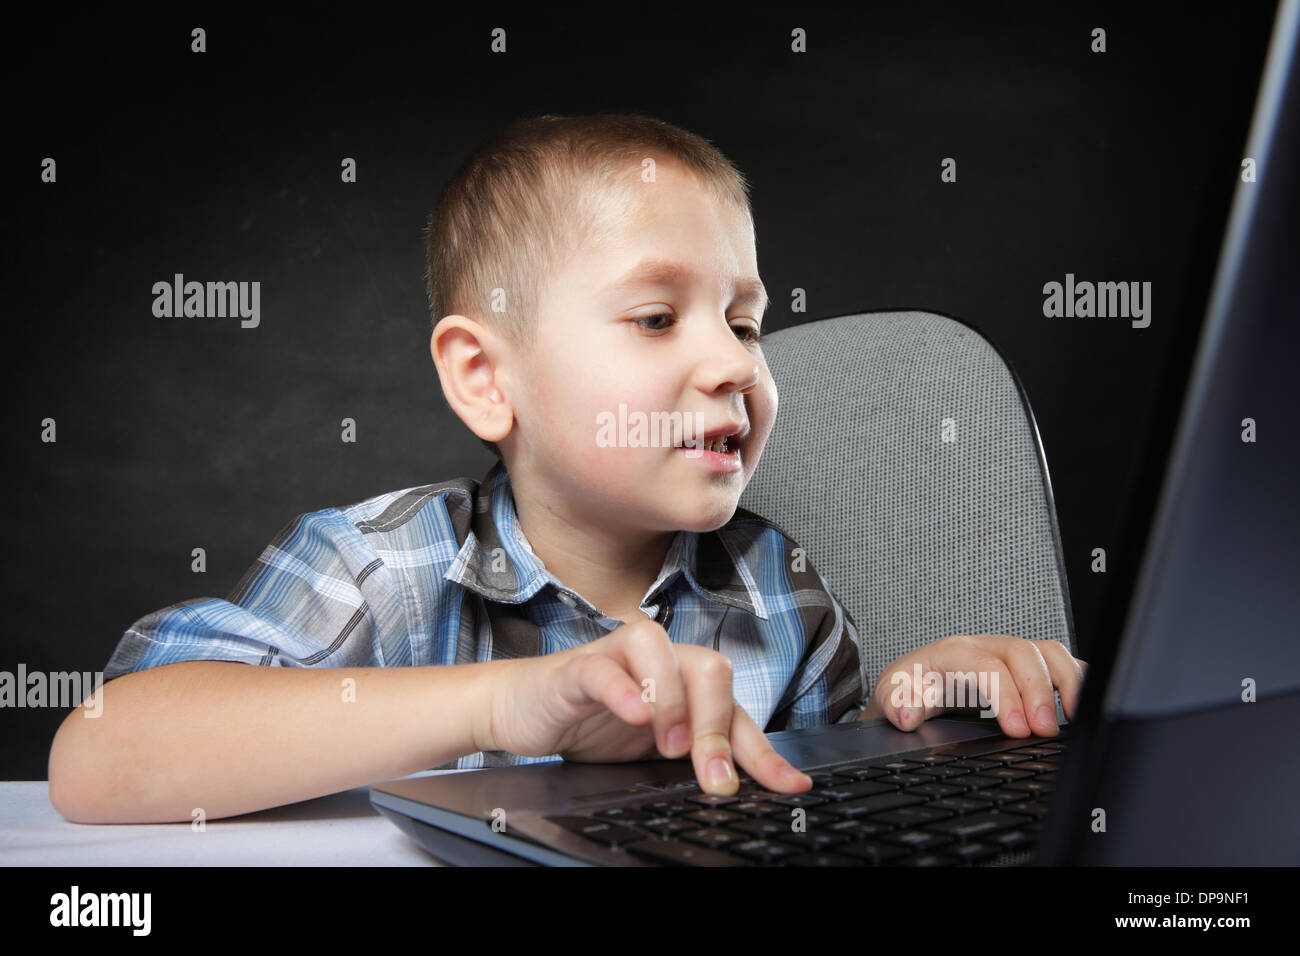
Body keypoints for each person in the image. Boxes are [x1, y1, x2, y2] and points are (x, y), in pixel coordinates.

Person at [48, 113, 1086, 824]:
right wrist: (508, 703)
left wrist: (913, 711)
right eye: (655, 317)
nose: (733, 363)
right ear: (485, 379)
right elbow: (99, 753)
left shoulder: (777, 589)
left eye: (746, 322)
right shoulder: (384, 566)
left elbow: (816, 795)